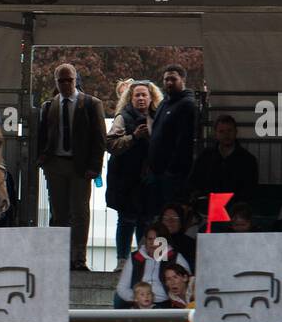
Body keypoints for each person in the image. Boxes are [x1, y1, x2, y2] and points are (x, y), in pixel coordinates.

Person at [36, 64, 107, 271]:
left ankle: (79, 258)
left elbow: (99, 138)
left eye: (69, 80)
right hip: (56, 163)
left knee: (80, 213)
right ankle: (60, 256)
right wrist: (43, 159)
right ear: (56, 82)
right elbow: (42, 135)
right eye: (62, 80)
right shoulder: (49, 106)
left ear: (76, 80)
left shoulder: (92, 104)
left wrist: (95, 166)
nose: (66, 84)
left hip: (81, 166)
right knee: (59, 213)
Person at [104, 79, 160, 265]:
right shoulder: (123, 118)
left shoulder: (159, 117)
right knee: (126, 220)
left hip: (150, 180)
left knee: (147, 221)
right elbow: (110, 144)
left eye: (144, 94)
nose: (141, 98)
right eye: (137, 95)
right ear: (130, 98)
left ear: (152, 97)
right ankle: (122, 261)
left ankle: (147, 260)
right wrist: (134, 137)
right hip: (125, 180)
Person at [147, 65, 198, 213]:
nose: (169, 82)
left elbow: (184, 142)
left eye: (173, 79)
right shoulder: (164, 103)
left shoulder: (187, 105)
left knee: (171, 217)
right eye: (166, 79)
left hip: (172, 177)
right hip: (156, 174)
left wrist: (172, 171)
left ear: (183, 80)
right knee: (157, 218)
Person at [187, 114, 259, 207]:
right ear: (216, 134)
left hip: (235, 212)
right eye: (221, 131)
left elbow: (249, 191)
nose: (226, 135)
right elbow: (193, 183)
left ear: (236, 132)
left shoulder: (248, 161)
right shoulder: (205, 157)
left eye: (229, 130)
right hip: (206, 208)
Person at [114, 223, 190, 307]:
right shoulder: (135, 257)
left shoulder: (174, 257)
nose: (152, 243)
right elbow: (122, 287)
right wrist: (138, 299)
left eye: (157, 239)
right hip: (137, 302)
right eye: (150, 239)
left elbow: (187, 283)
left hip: (165, 303)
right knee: (118, 298)